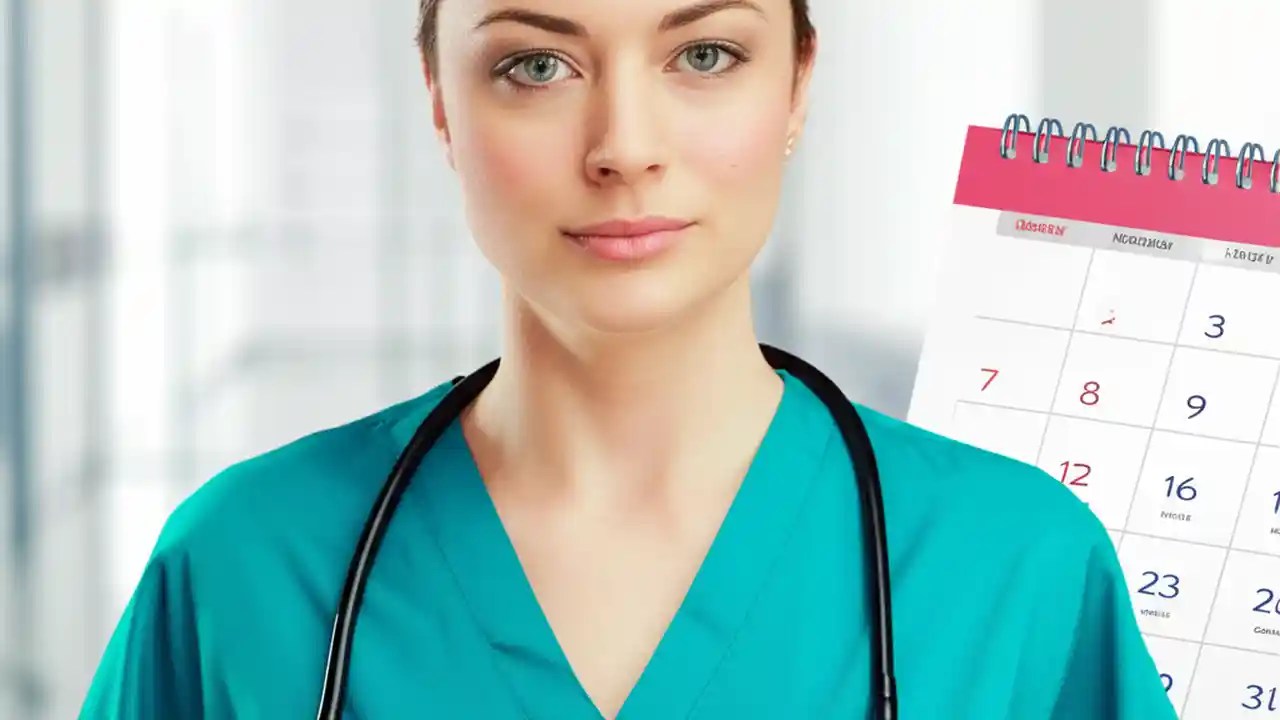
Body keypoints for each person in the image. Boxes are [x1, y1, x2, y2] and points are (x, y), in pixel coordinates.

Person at [79, 0, 1179, 718]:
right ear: (440, 107)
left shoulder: (1016, 567)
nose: (622, 147)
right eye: (536, 65)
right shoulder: (243, 569)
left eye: (703, 54)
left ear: (795, 85)